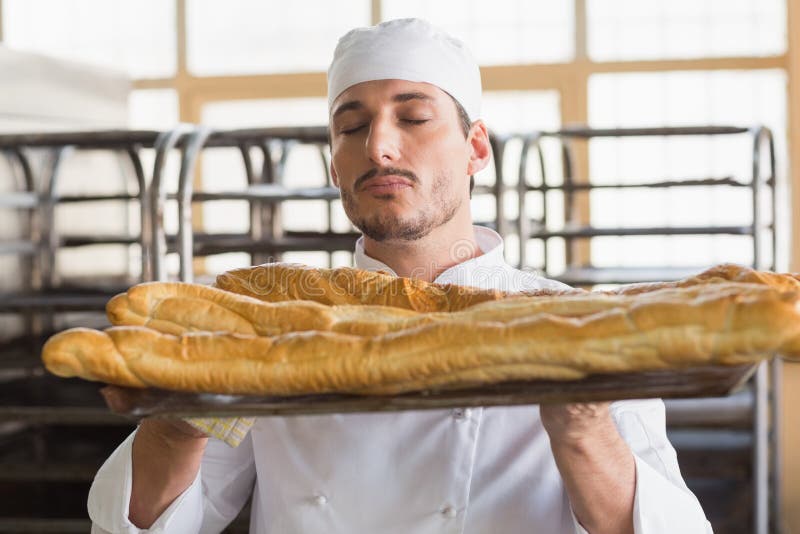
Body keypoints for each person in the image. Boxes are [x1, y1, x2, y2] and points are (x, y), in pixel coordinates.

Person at [88, 18, 712, 533]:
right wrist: (174, 421)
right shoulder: (264, 328)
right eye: (351, 127)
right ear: (334, 166)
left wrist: (582, 426)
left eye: (413, 118)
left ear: (476, 148)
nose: (379, 147)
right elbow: (132, 528)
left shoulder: (579, 326)